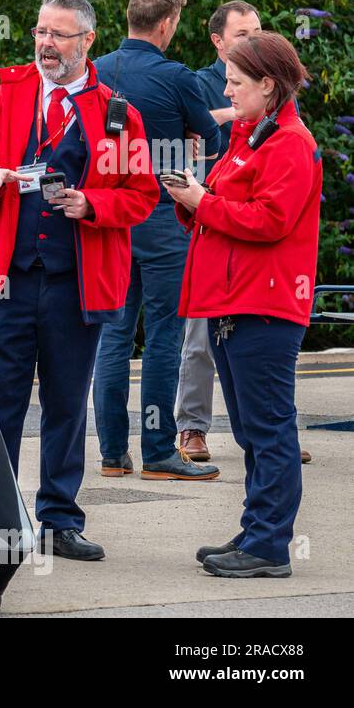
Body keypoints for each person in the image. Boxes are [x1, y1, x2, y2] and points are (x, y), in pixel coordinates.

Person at [0, 0, 159, 561]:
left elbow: (141, 196)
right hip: (7, 281)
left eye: (57, 36)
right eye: (40, 32)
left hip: (76, 284)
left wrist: (92, 204)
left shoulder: (119, 113)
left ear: (86, 42)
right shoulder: (11, 94)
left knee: (67, 403)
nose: (44, 44)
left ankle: (58, 520)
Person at [164, 32, 320, 578]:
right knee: (257, 430)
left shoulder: (290, 143)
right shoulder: (253, 137)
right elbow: (230, 207)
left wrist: (201, 200)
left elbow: (268, 220)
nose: (227, 92)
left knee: (269, 428)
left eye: (235, 83)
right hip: (239, 299)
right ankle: (259, 531)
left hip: (264, 303)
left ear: (267, 86)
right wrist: (193, 200)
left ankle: (270, 545)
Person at [91, 0, 222, 481]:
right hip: (164, 217)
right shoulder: (176, 76)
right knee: (165, 335)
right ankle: (160, 453)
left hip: (113, 219)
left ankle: (111, 454)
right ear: (165, 24)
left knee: (114, 335)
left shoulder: (94, 71)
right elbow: (210, 136)